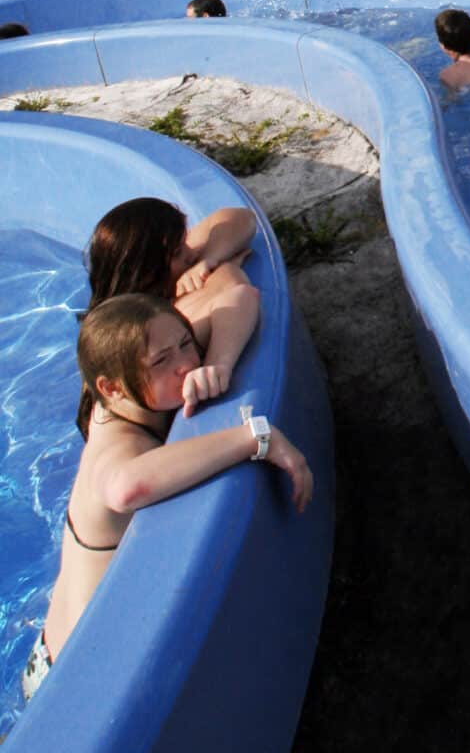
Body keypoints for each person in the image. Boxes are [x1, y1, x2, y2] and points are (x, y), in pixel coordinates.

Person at [22, 292, 312, 702]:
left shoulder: (122, 394)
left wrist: (221, 363)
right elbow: (126, 487)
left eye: (186, 343)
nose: (185, 364)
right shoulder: (116, 444)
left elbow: (240, 296)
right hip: (66, 677)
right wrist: (253, 438)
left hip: (58, 645)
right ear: (111, 386)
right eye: (162, 362)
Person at [86, 197, 259, 414]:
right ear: (146, 274)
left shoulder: (171, 273)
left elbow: (241, 218)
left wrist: (209, 260)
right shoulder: (154, 324)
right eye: (178, 253)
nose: (191, 253)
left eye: (184, 242)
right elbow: (235, 289)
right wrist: (221, 269)